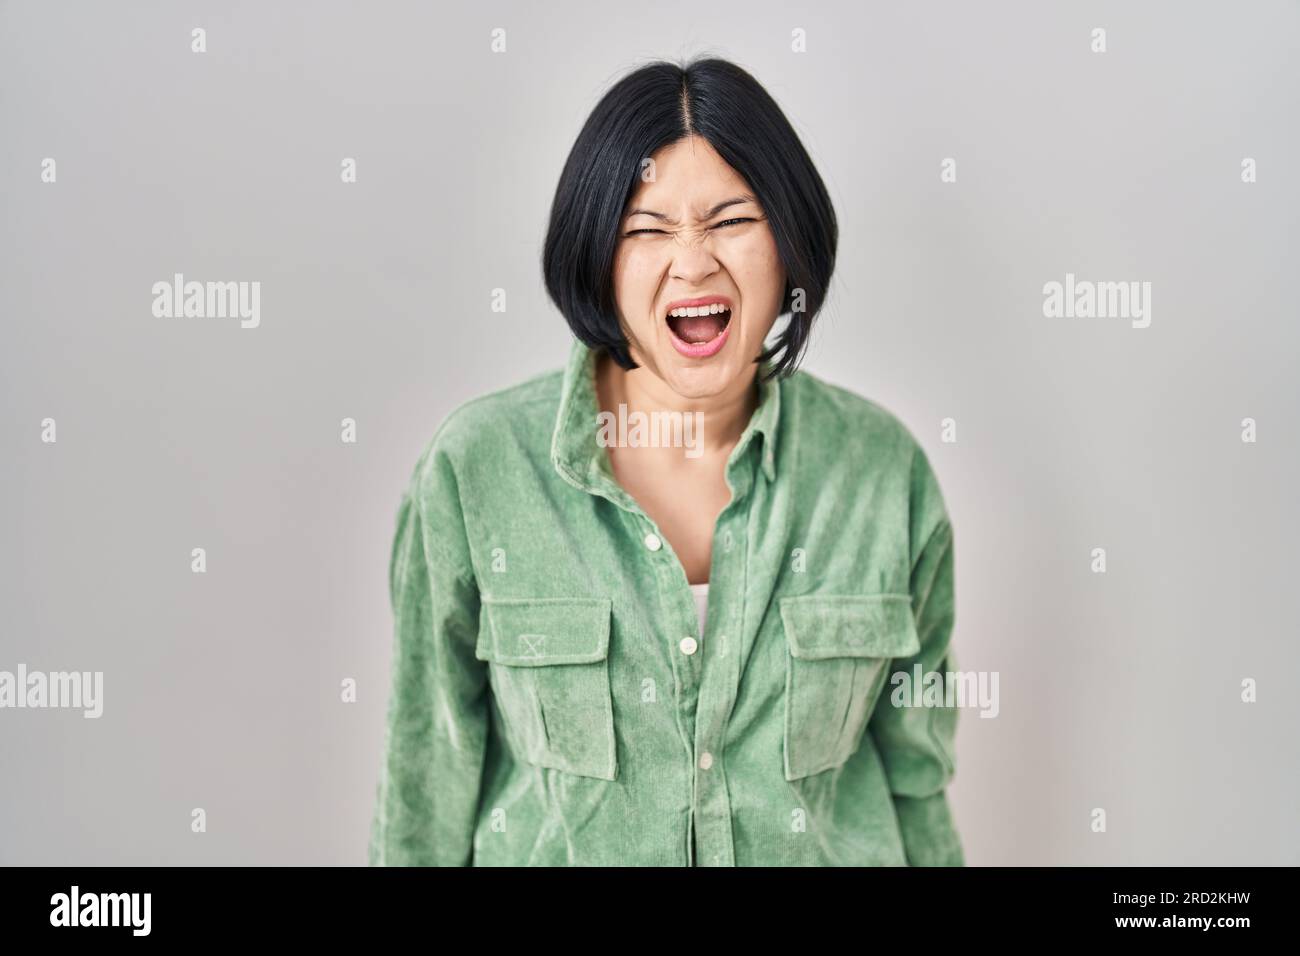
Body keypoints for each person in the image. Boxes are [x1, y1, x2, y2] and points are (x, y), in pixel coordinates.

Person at [369, 56, 963, 866]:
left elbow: (915, 786)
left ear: (790, 245)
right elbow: (423, 791)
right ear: (597, 258)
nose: (693, 263)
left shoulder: (882, 473)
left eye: (732, 221)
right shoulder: (476, 471)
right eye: (646, 230)